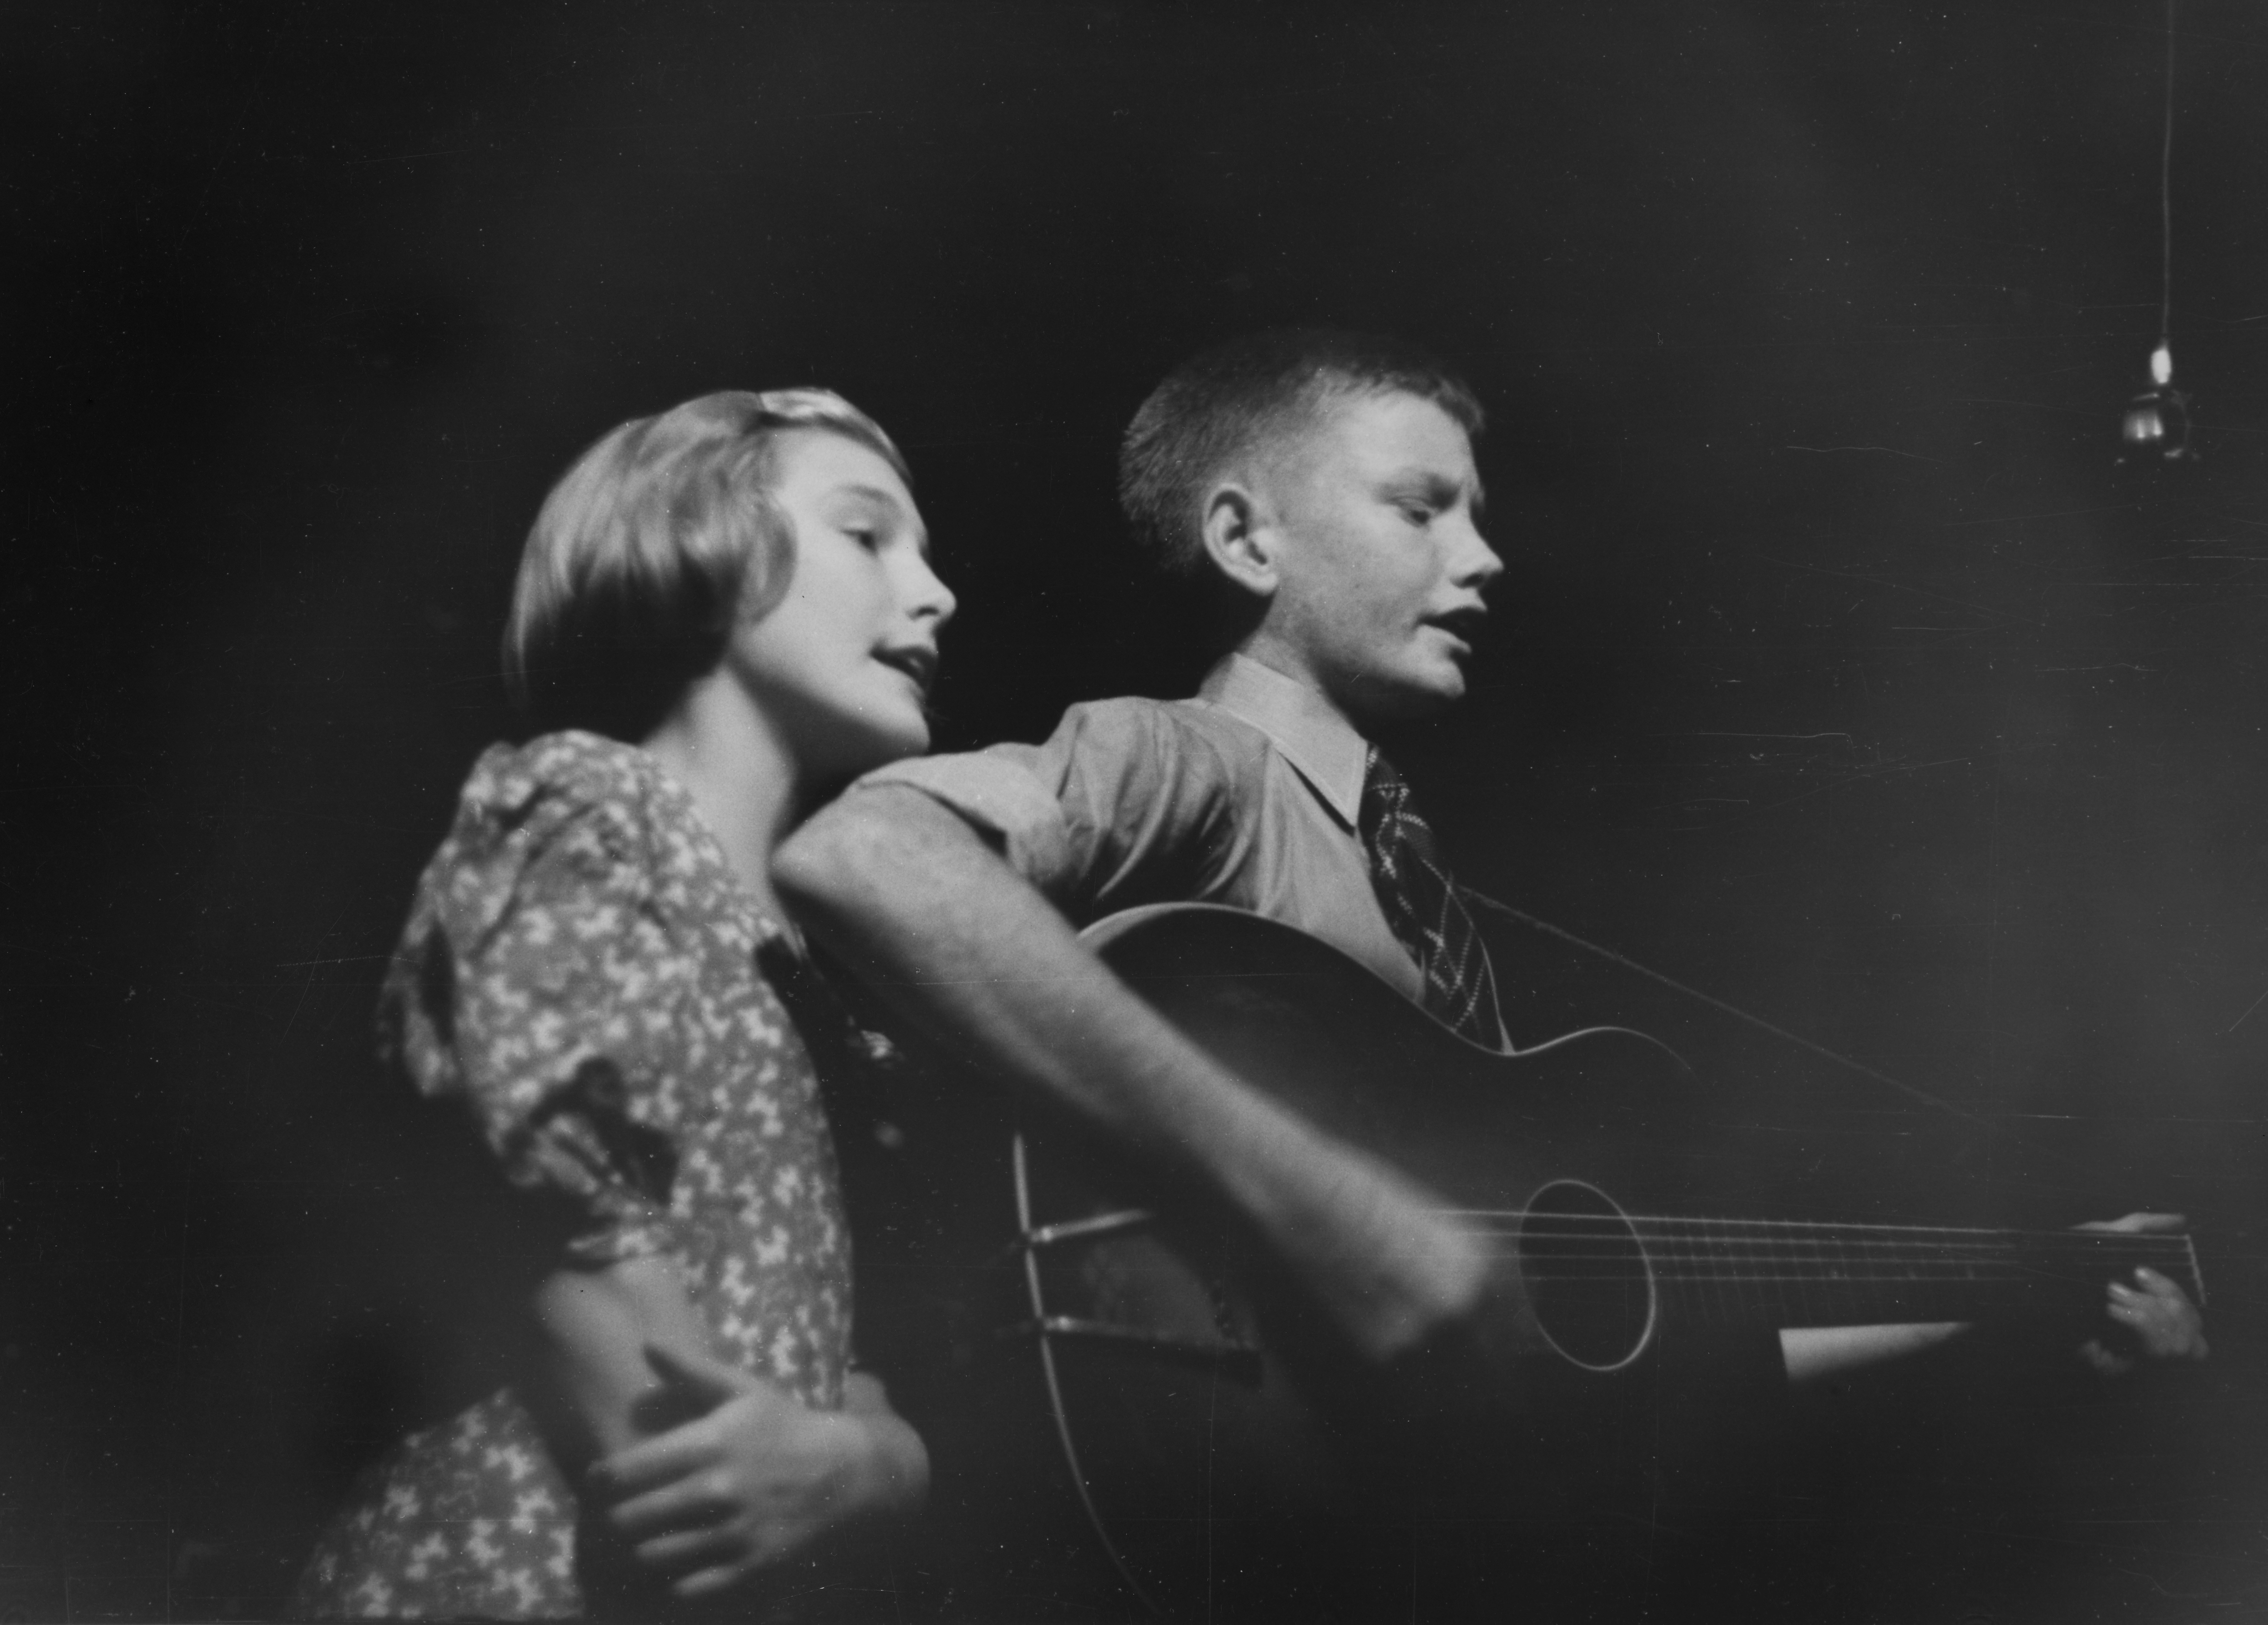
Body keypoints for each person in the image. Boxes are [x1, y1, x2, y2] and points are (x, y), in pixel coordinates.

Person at [771, 330, 2205, 1596]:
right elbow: (869, 856)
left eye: (1479, 512)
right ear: (1246, 540)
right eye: (1421, 507)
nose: (1483, 555)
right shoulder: (1193, 761)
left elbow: (1629, 1362)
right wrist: (1322, 1204)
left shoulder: (1421, 897)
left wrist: (2027, 1291)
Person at [292, 387, 954, 1620]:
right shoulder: (589, 806)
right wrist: (822, 1464)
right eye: (869, 535)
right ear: (696, 540)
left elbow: (839, 1379)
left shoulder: (817, 963)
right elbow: (549, 1222)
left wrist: (873, 1461)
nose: (935, 590)